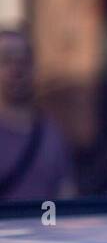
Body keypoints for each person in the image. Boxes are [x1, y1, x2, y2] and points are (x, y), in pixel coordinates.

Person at [0, 29, 74, 201]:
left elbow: (66, 195)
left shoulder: (52, 135)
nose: (16, 70)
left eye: (23, 61)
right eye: (6, 61)